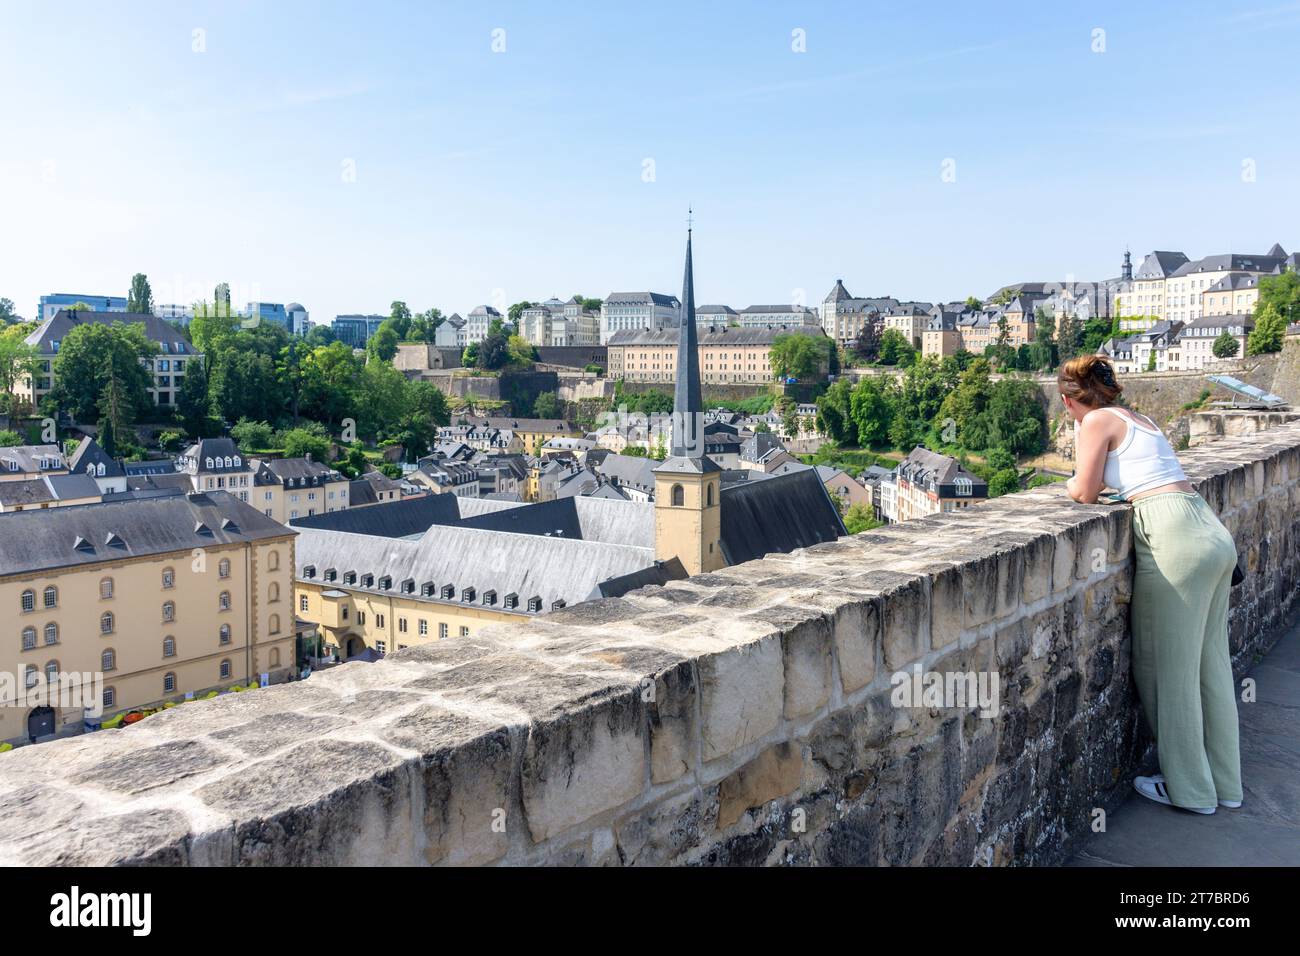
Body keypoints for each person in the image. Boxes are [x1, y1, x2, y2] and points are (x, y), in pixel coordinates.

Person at [1058, 354, 1242, 815]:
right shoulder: (1140, 419)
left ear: (1069, 401)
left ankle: (1192, 792)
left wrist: (1069, 485)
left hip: (1173, 535)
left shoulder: (1095, 421)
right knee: (1210, 666)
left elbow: (1083, 492)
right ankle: (1226, 785)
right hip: (1209, 528)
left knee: (1166, 671)